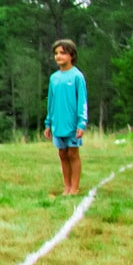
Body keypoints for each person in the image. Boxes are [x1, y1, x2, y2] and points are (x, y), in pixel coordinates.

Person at [43, 38, 87, 196]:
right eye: (56, 53)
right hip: (57, 123)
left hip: (72, 124)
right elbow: (51, 102)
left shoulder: (77, 77)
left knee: (73, 153)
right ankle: (66, 186)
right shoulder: (53, 78)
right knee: (62, 154)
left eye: (62, 53)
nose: (58, 56)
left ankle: (75, 188)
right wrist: (48, 123)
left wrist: (81, 124)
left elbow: (82, 101)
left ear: (71, 55)